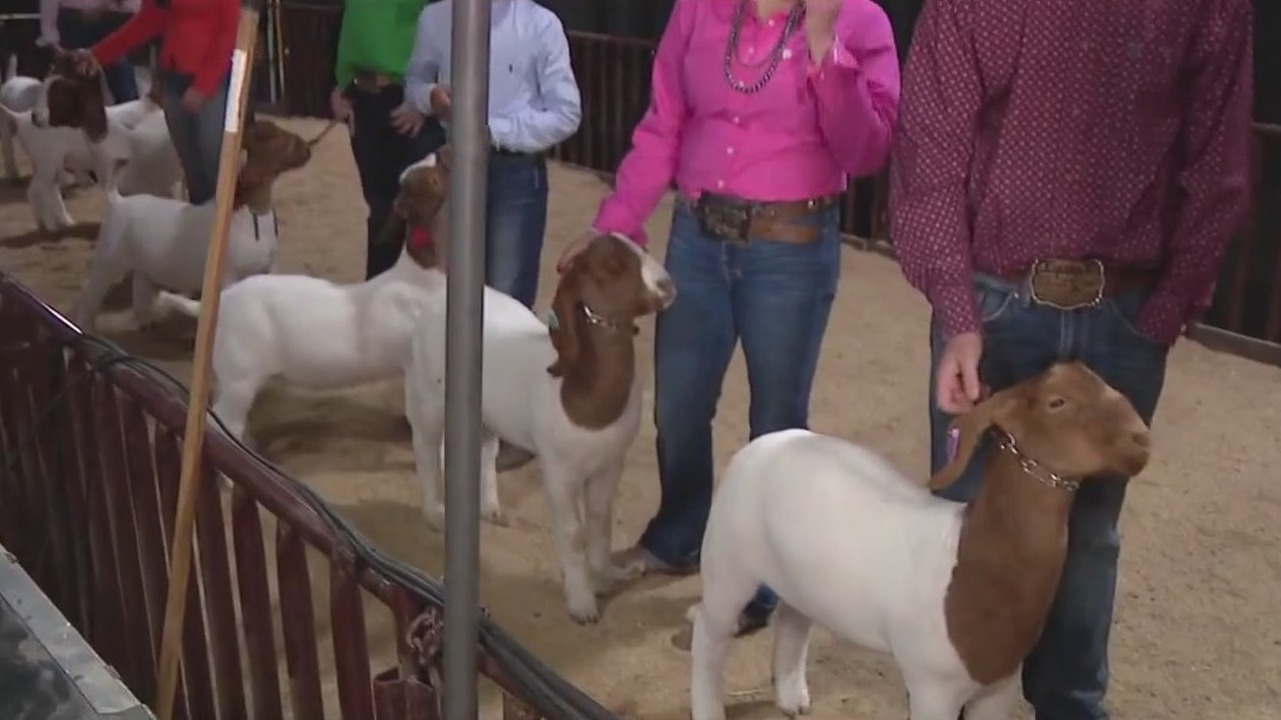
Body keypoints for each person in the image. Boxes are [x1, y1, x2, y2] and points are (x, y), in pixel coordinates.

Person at [888, 0, 1252, 717]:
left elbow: (1219, 157)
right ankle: (950, 697)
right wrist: (958, 316)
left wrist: (1167, 304)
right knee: (965, 514)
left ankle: (1069, 704)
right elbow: (932, 142)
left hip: (1123, 303)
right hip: (993, 299)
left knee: (1088, 533)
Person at [559, 0, 899, 635]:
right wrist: (613, 224)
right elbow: (664, 124)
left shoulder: (860, 19)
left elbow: (868, 148)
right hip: (698, 237)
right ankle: (681, 534)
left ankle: (763, 583)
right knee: (679, 407)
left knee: (775, 425)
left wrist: (825, 43)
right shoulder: (697, 11)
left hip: (790, 250)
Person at [403, 0, 581, 308]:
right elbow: (415, 82)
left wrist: (492, 131)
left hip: (516, 174)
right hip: (453, 168)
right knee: (449, 293)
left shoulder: (540, 24)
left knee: (506, 296)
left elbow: (566, 113)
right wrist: (429, 97)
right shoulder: (435, 17)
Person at [79, 0, 239, 205]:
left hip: (215, 81)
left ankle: (232, 231)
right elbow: (147, 21)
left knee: (216, 166)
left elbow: (229, 30)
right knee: (193, 171)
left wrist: (203, 85)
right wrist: (98, 54)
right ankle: (202, 231)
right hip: (173, 79)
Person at [331, 0, 447, 280]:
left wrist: (424, 100)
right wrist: (338, 83)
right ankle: (380, 298)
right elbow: (350, 22)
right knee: (382, 209)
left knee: (420, 210)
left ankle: (425, 296)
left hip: (407, 100)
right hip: (363, 98)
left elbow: (446, 28)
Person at [40, 0, 141, 104]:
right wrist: (52, 40)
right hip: (74, 23)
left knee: (121, 73)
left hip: (115, 18)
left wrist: (104, 5)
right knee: (71, 80)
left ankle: (129, 110)